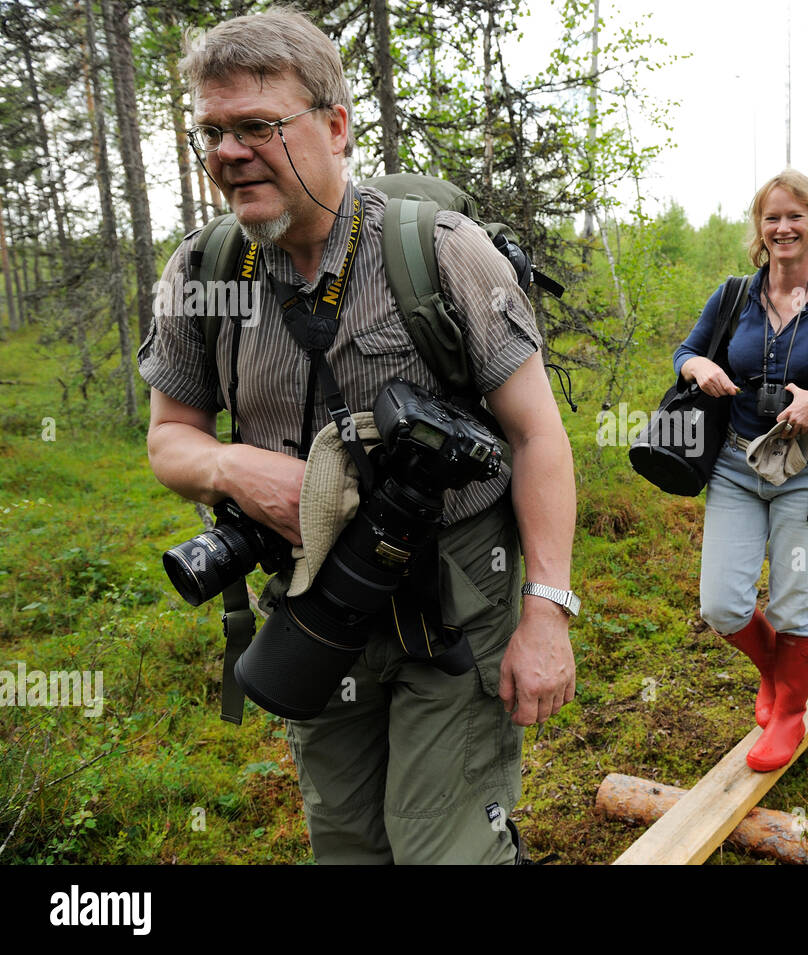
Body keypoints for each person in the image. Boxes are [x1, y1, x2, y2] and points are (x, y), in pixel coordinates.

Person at [137, 8, 577, 865]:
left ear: (335, 127)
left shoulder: (441, 255)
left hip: (452, 593)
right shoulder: (202, 272)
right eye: (213, 132)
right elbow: (169, 440)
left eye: (258, 125)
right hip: (315, 602)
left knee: (441, 848)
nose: (229, 153)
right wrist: (238, 468)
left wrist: (547, 613)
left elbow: (538, 439)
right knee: (344, 841)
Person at [673, 169, 808, 773]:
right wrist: (698, 368)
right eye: (772, 217)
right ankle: (778, 667)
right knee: (722, 605)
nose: (783, 227)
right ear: (759, 228)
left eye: (795, 216)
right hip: (736, 465)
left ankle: (790, 713)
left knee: (794, 598)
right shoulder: (733, 295)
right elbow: (686, 350)